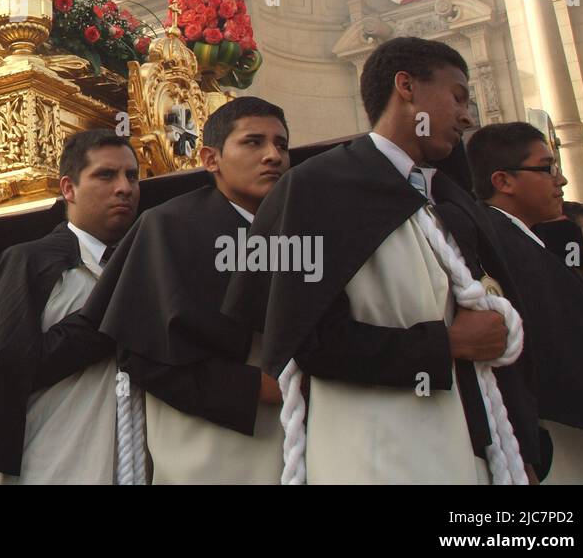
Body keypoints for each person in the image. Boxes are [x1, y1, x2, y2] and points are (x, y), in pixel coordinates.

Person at [224, 36, 543, 484]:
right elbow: (306, 342)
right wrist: (446, 344)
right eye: (457, 96)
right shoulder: (317, 187)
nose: (468, 116)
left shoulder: (448, 199)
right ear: (407, 87)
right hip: (373, 456)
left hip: (470, 449)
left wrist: (518, 452)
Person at [85, 97, 290, 484]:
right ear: (211, 159)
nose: (273, 156)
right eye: (253, 142)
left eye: (281, 145)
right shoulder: (167, 227)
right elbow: (143, 357)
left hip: (296, 434)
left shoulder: (298, 230)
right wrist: (255, 388)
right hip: (207, 448)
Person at [0, 128, 138, 484]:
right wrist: (110, 317)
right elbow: (3, 370)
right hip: (45, 467)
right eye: (106, 175)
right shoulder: (28, 262)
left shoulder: (143, 266)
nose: (124, 187)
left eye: (132, 176)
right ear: (69, 189)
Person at [466, 124, 583, 484]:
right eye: (547, 167)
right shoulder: (496, 242)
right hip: (553, 435)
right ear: (504, 181)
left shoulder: (528, 241)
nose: (562, 180)